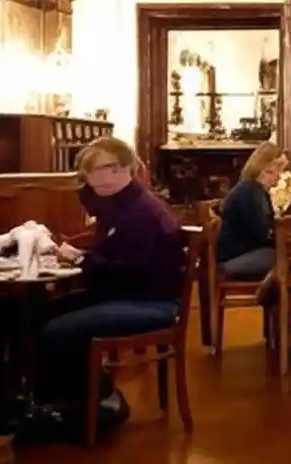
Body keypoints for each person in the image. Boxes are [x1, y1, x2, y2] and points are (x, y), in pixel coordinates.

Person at [35, 137, 185, 418]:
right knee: (39, 311)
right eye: (93, 171)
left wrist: (82, 260)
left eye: (112, 169)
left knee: (56, 329)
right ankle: (58, 397)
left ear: (130, 168)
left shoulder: (142, 211)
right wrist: (85, 258)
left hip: (150, 301)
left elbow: (132, 271)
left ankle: (93, 403)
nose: (103, 177)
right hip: (128, 291)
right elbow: (114, 258)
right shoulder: (119, 206)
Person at [217, 142, 284, 281]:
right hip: (233, 259)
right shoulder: (249, 191)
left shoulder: (258, 191)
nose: (279, 176)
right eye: (274, 171)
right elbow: (261, 234)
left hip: (244, 253)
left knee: (285, 255)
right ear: (262, 169)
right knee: (280, 257)